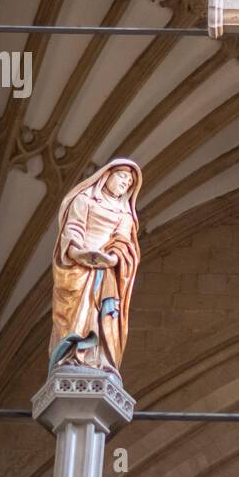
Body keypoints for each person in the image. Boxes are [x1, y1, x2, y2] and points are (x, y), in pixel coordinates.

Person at [49, 159, 142, 376]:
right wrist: (78, 253)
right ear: (107, 175)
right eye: (122, 177)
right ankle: (70, 357)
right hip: (78, 266)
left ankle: (99, 360)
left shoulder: (124, 213)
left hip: (105, 270)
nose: (125, 183)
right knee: (75, 313)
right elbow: (73, 228)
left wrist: (111, 259)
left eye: (129, 182)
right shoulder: (85, 200)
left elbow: (122, 241)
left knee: (103, 315)